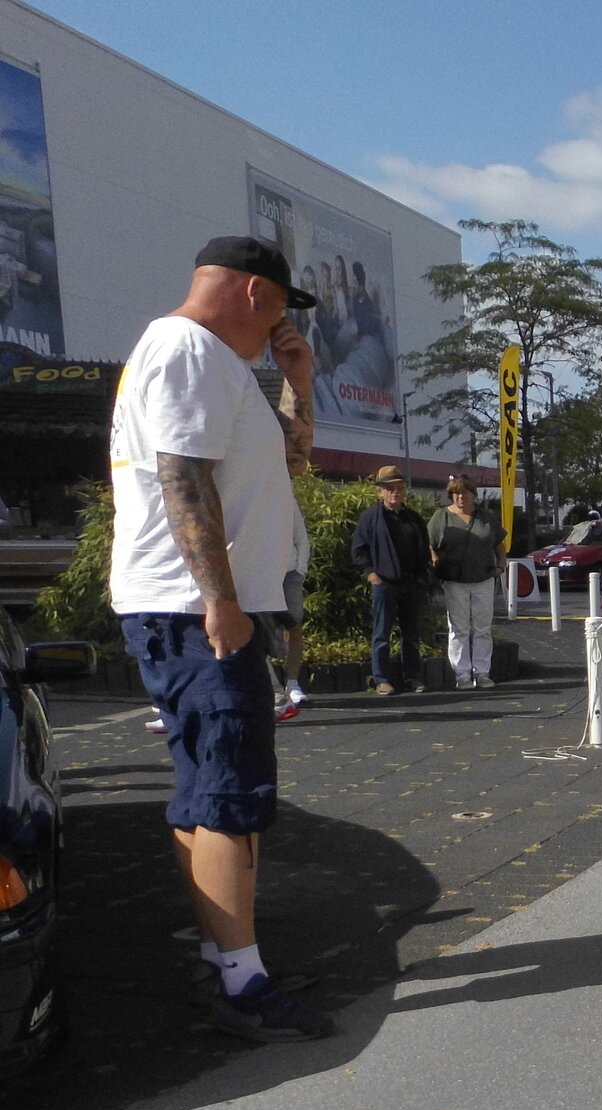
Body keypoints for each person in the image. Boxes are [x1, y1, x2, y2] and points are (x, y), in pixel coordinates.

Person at [107, 234, 333, 1042]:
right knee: (230, 797)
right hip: (194, 609)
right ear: (250, 292)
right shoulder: (189, 349)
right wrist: (222, 602)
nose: (275, 326)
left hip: (193, 605)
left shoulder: (206, 361)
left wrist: (297, 383)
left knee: (206, 792)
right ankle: (242, 982)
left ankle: (225, 955)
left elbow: (290, 465)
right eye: (275, 309)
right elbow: (182, 476)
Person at [351, 465, 433, 695]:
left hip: (410, 583)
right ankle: (381, 679)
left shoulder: (414, 519)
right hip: (384, 583)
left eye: (398, 488)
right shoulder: (370, 518)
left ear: (404, 491)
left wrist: (422, 577)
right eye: (389, 488)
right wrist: (371, 574)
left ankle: (413, 677)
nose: (394, 492)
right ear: (380, 492)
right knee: (381, 634)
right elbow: (358, 550)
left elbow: (425, 551)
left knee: (411, 634)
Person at [428, 474, 502, 688]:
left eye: (465, 492)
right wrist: (435, 561)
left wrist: (501, 566)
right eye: (456, 492)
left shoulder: (485, 517)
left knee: (482, 627)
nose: (461, 496)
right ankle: (462, 674)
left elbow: (499, 543)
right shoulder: (441, 516)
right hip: (454, 580)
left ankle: (482, 672)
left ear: (473, 494)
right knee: (459, 627)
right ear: (451, 495)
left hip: (483, 578)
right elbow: (429, 543)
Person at [270, 500, 311, 720]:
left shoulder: (288, 500)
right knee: (260, 630)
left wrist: (300, 570)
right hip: (264, 575)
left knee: (294, 626)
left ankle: (292, 684)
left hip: (290, 573)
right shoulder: (253, 497)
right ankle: (273, 688)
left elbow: (301, 537)